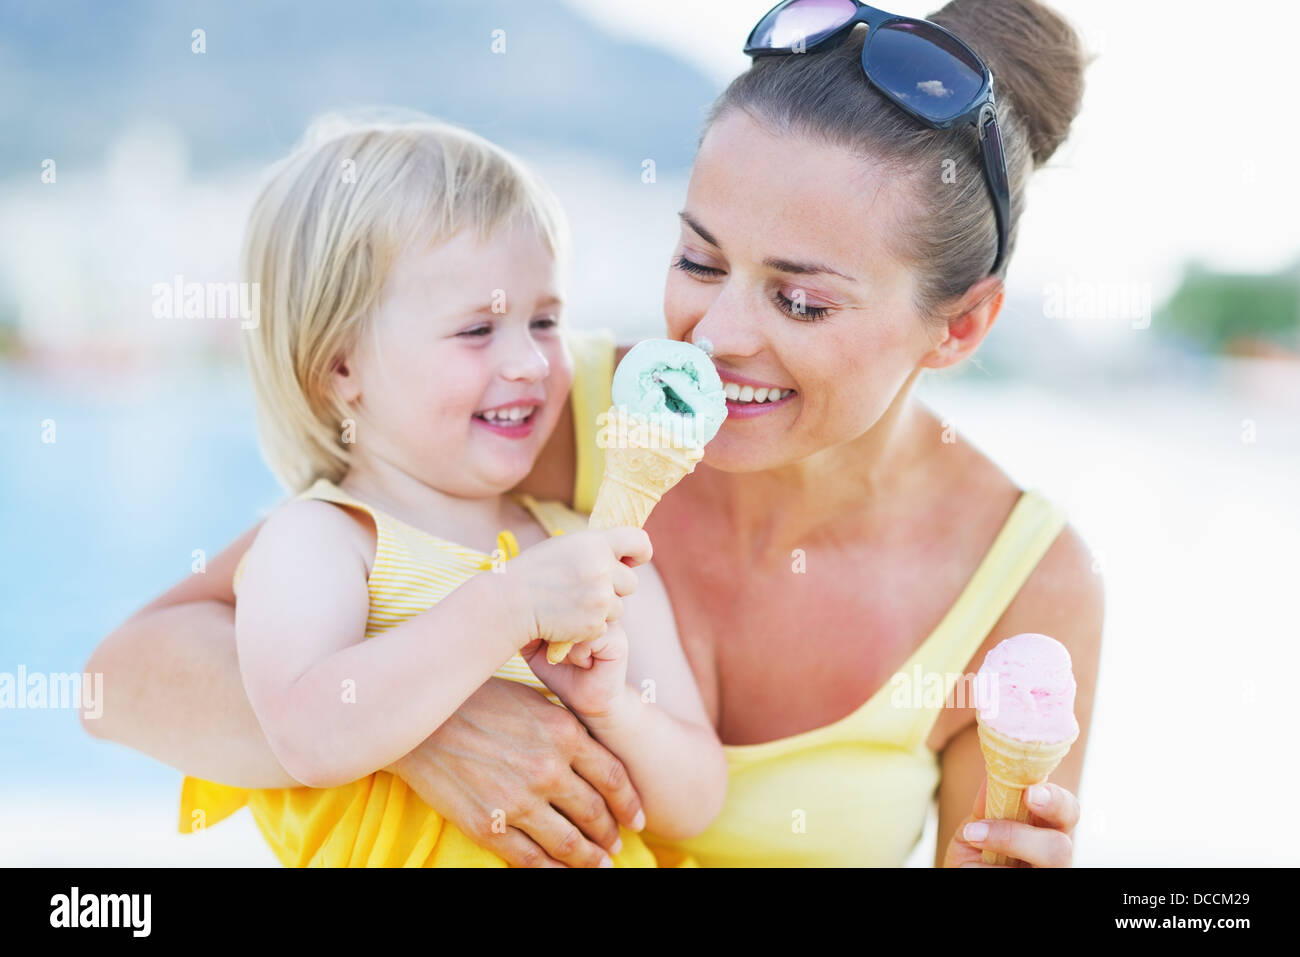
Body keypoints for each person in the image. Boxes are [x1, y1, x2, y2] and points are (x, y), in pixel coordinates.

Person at [85, 0, 1101, 867]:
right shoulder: (532, 412)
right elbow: (118, 682)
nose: (713, 338)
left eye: (799, 301)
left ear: (960, 324)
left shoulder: (1029, 584)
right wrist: (424, 728)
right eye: (700, 264)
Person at [159, 114, 725, 866]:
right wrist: (503, 607)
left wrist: (612, 706)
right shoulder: (322, 540)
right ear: (341, 366)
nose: (528, 361)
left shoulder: (589, 552)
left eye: (546, 319)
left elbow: (696, 802)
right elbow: (307, 733)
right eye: (476, 330)